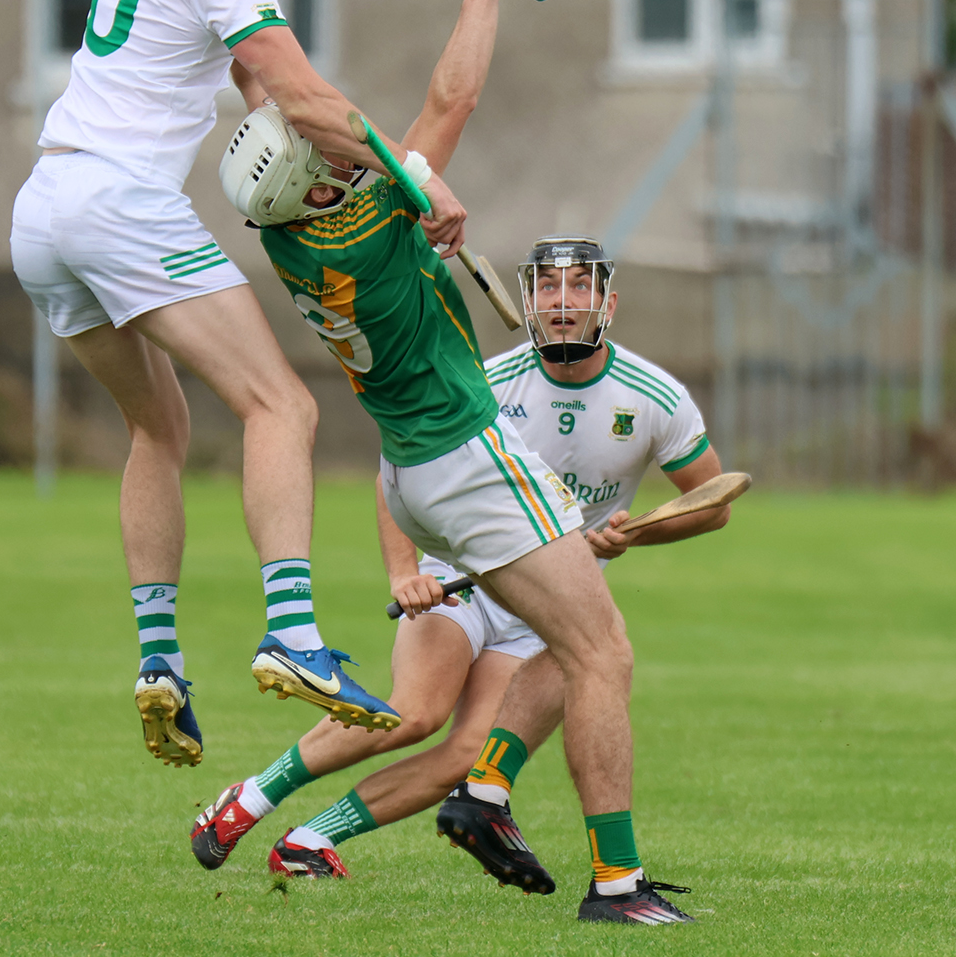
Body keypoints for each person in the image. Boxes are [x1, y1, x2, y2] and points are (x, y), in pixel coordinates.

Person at [9, 0, 468, 771]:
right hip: (122, 207)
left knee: (158, 427)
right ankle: (296, 634)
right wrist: (409, 176)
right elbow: (302, 99)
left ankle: (160, 659)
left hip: (43, 211)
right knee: (284, 410)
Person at [216, 0, 698, 923]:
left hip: (410, 472)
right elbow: (454, 94)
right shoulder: (370, 220)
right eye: (324, 143)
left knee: (536, 664)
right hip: (469, 458)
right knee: (598, 652)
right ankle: (616, 884)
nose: (338, 135)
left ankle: (470, 794)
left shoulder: (294, 231)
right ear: (314, 180)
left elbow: (262, 82)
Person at [189, 247, 726, 933]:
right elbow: (403, 463)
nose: (563, 302)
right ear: (528, 303)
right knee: (415, 712)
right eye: (549, 288)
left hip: (545, 611)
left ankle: (308, 842)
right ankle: (249, 800)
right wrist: (402, 572)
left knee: (471, 757)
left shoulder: (654, 397)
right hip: (456, 585)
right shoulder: (487, 382)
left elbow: (712, 499)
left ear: (608, 305)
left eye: (580, 288)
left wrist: (637, 534)